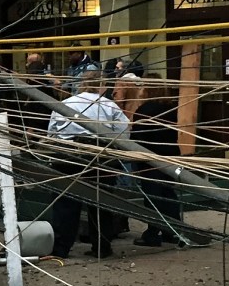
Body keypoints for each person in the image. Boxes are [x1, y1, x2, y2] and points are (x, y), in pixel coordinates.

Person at [47, 70, 130, 258]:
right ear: (102, 85)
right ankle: (102, 247)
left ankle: (61, 249)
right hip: (102, 157)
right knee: (100, 204)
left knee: (66, 204)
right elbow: (124, 132)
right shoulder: (110, 105)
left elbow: (52, 132)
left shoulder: (67, 103)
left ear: (82, 84)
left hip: (68, 156)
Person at [116, 73, 183, 247]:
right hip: (170, 156)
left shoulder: (144, 110)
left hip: (150, 159)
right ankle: (174, 231)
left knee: (153, 197)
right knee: (168, 194)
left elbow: (138, 137)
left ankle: (152, 233)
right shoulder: (170, 107)